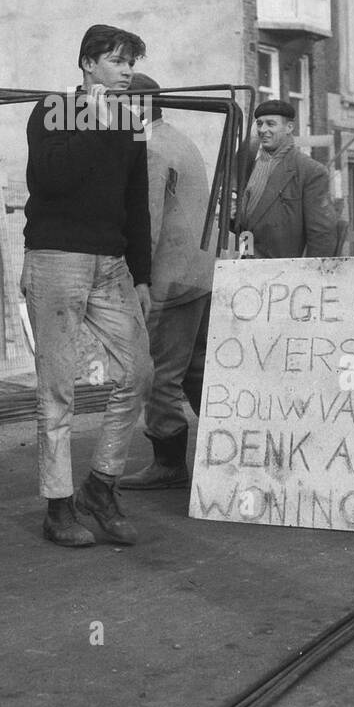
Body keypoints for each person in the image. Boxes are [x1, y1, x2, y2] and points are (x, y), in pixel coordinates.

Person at [21, 24, 154, 547]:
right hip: (56, 257)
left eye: (130, 62)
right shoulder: (51, 110)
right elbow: (48, 181)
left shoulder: (130, 120)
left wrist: (141, 274)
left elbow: (135, 200)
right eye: (118, 61)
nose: (126, 71)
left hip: (111, 263)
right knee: (58, 388)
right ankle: (57, 507)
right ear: (88, 64)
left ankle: (100, 486)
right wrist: (92, 123)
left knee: (139, 371)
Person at [120, 73, 214, 491]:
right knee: (195, 369)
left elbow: (148, 223)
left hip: (168, 279)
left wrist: (133, 278)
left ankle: (168, 462)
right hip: (197, 273)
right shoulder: (178, 138)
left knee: (159, 372)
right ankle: (226, 447)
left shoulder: (149, 147)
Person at [235, 99, 340, 259]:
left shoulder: (310, 171)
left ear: (289, 127)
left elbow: (322, 235)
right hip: (251, 272)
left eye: (270, 124)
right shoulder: (252, 166)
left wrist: (310, 277)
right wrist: (233, 218)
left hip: (287, 276)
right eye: (259, 124)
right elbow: (248, 227)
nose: (263, 130)